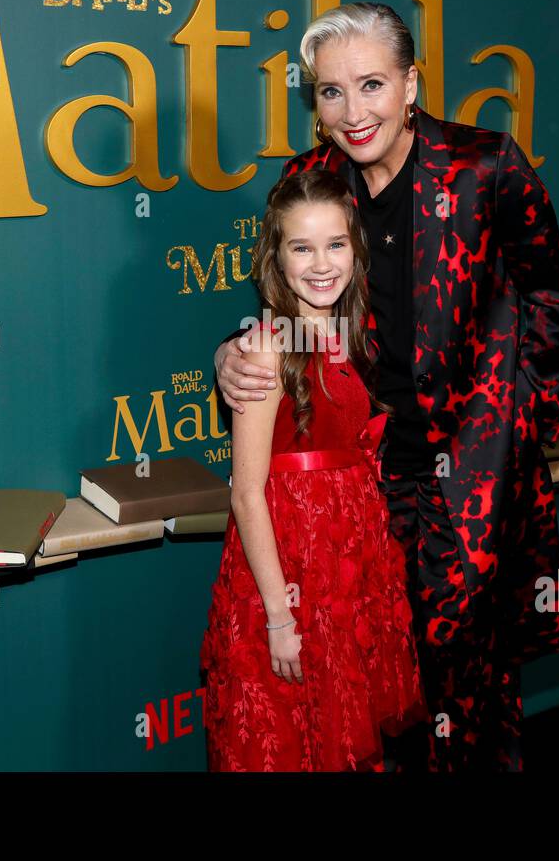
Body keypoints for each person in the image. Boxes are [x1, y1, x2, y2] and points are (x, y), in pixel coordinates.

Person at [213, 2, 559, 771]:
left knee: (468, 671)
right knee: (379, 685)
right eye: (331, 92)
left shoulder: (485, 167)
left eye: (372, 84)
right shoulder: (309, 180)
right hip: (360, 489)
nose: (353, 111)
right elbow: (288, 312)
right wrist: (228, 358)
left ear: (411, 85)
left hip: (470, 475)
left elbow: (548, 292)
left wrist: (523, 423)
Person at [199, 168, 428, 772]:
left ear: (355, 246)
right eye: (301, 247)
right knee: (291, 737)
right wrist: (278, 616)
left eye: (335, 244)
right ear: (276, 258)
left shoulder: (348, 333)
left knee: (342, 738)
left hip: (348, 573)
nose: (321, 263)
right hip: (290, 573)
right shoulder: (268, 347)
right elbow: (247, 494)